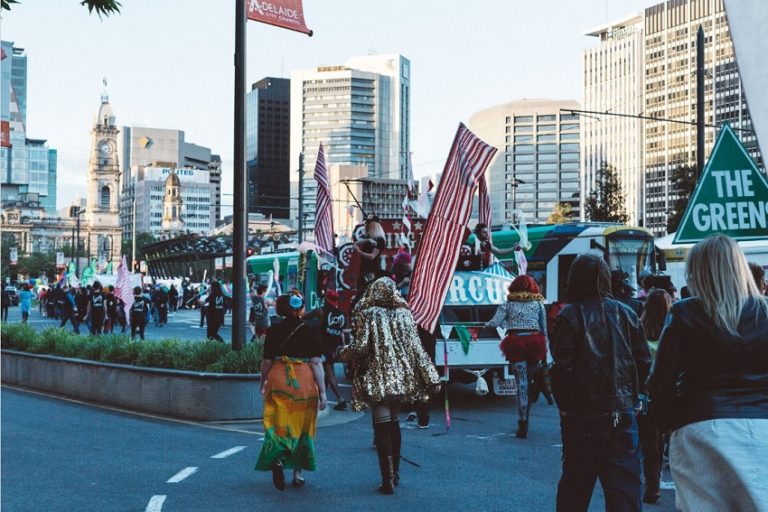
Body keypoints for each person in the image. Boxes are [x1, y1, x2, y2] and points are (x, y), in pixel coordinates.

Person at [647, 235, 768, 512]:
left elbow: (660, 383)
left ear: (698, 272)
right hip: (762, 426)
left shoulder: (684, 313)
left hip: (700, 424)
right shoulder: (765, 312)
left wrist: (671, 423)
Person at [550, 253, 651, 512]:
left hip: (583, 414)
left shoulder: (569, 315)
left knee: (576, 485)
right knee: (624, 489)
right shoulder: (627, 313)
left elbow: (562, 369)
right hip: (622, 410)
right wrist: (635, 396)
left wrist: (564, 406)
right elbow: (643, 361)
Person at [339, 277, 441, 495]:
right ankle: (396, 474)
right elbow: (417, 349)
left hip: (377, 378)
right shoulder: (405, 314)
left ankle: (386, 478)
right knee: (394, 423)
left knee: (381, 425)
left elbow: (361, 347)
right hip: (401, 379)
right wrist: (432, 377)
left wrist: (343, 353)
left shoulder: (368, 313)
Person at [255, 293, 326, 490]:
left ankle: (277, 458)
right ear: (301, 308)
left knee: (278, 423)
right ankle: (297, 474)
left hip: (279, 378)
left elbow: (267, 361)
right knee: (302, 426)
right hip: (303, 381)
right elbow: (316, 362)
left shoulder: (274, 329)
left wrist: (263, 381)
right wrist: (323, 392)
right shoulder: (311, 330)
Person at [485, 274, 549, 438]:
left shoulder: (507, 305)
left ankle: (523, 420)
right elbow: (544, 329)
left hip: (516, 343)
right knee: (531, 378)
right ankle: (533, 391)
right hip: (535, 343)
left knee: (521, 383)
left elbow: (494, 322)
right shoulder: (538, 304)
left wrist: (501, 325)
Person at [637, 288, 672, 504]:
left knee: (650, 442)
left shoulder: (639, 330)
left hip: (647, 396)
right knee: (669, 440)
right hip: (669, 395)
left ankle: (652, 485)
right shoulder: (673, 331)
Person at [304, 289, 347, 411]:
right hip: (336, 349)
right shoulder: (342, 315)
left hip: (324, 348)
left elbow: (306, 316)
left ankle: (340, 399)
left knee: (329, 372)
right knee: (328, 373)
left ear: (326, 299)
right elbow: (344, 332)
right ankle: (323, 397)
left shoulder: (321, 311)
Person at [354, 214, 386, 292]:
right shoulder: (368, 237)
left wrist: (359, 252)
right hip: (364, 269)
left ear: (373, 225)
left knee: (369, 293)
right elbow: (356, 242)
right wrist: (367, 240)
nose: (365, 224)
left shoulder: (379, 239)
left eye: (368, 223)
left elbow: (372, 256)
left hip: (372, 271)